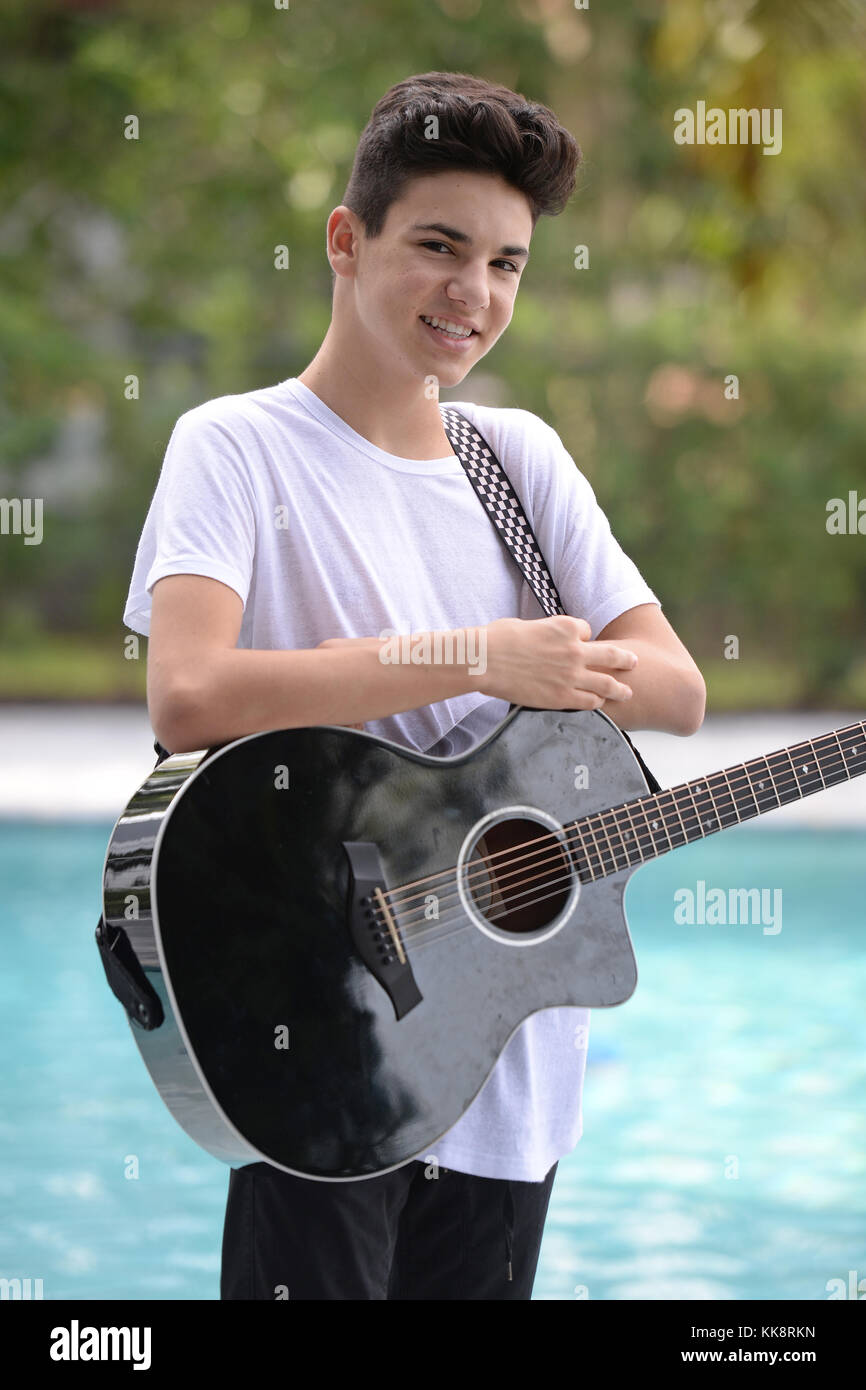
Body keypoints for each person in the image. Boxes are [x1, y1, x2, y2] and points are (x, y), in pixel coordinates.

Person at [122, 70, 706, 1301]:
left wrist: (550, 686)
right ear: (347, 239)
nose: (473, 294)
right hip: (322, 1028)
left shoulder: (516, 458)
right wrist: (477, 655)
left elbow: (672, 688)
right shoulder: (234, 447)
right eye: (439, 247)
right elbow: (186, 691)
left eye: (506, 264)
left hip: (506, 1059)